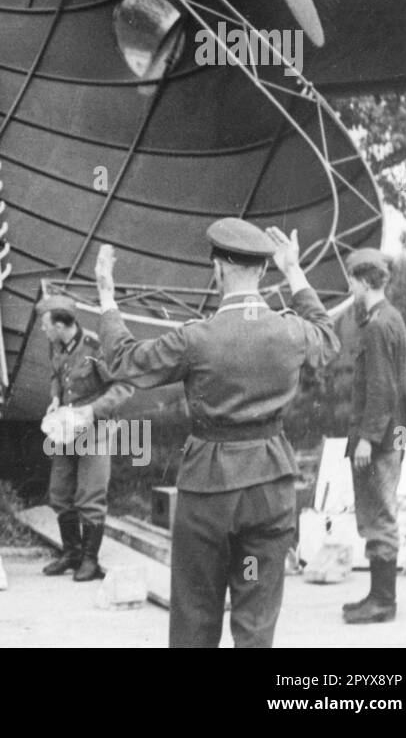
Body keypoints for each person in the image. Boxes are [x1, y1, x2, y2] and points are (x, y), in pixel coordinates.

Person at [88, 219, 339, 648]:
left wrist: (107, 296)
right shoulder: (291, 330)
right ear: (262, 271)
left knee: (196, 616)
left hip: (210, 493)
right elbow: (328, 338)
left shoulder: (196, 339)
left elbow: (125, 361)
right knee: (256, 614)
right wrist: (294, 270)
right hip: (269, 489)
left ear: (218, 270)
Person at [341, 248, 406, 624]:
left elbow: (381, 388)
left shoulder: (376, 326)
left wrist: (366, 438)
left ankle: (383, 603)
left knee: (379, 512)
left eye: (351, 281)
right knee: (383, 507)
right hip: (398, 431)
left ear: (362, 281)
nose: (350, 287)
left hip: (382, 434)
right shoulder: (391, 316)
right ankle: (378, 596)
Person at [36, 293, 133, 581]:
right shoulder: (55, 344)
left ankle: (90, 561)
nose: (42, 329)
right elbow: (57, 374)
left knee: (90, 494)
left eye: (45, 324)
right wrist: (55, 398)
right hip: (67, 426)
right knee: (60, 491)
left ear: (61, 325)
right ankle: (72, 553)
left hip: (96, 428)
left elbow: (124, 386)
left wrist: (93, 410)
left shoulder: (95, 348)